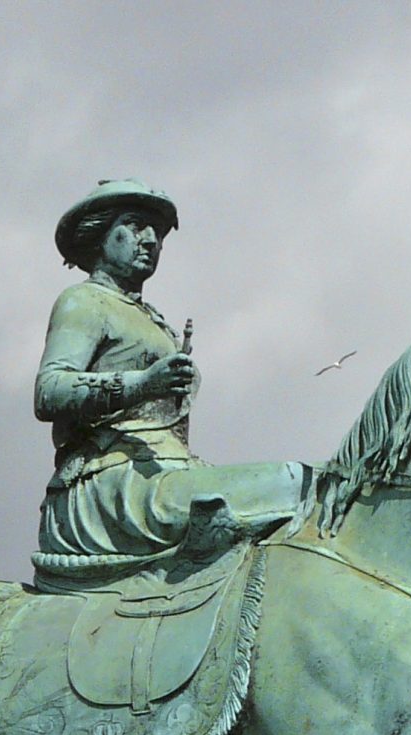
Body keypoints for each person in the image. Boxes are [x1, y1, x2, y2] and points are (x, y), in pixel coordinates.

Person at [33, 179, 306, 589]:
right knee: (292, 483)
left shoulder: (151, 319)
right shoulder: (85, 301)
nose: (150, 240)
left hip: (165, 472)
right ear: (100, 235)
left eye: (157, 233)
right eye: (135, 225)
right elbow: (49, 391)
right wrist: (142, 384)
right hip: (111, 482)